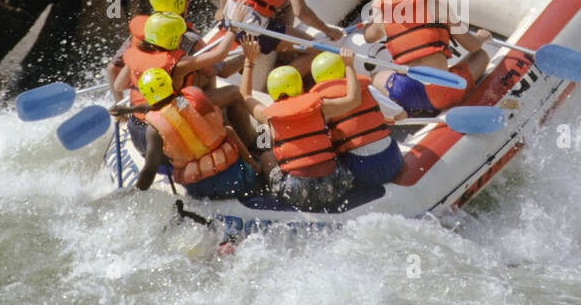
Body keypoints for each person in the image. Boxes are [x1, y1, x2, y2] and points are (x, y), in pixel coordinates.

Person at [239, 37, 358, 208]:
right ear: (301, 87)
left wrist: (249, 61)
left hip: (298, 192)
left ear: (272, 92)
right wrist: (349, 65)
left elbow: (245, 96)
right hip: (335, 185)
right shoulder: (319, 107)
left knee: (266, 156)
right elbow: (353, 99)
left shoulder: (268, 116)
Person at [364, 0, 492, 116]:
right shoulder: (435, 3)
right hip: (442, 92)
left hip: (406, 92)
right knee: (481, 55)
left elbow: (369, 36)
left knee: (376, 77)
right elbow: (472, 46)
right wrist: (481, 36)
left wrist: (372, 16)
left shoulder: (382, 11)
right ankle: (445, 100)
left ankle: (404, 110)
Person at [111, 68, 261, 200]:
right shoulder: (195, 96)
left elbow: (150, 169)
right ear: (170, 83)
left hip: (200, 188)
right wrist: (254, 165)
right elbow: (169, 101)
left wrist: (136, 191)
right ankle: (258, 178)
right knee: (229, 134)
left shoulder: (153, 129)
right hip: (236, 178)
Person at [113, 11, 240, 151]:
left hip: (137, 129)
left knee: (198, 82)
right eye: (180, 37)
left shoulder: (135, 54)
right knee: (234, 93)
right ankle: (250, 142)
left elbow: (119, 86)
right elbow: (219, 55)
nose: (181, 40)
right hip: (165, 132)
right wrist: (234, 31)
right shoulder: (179, 63)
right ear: (172, 39)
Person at [309, 51, 406, 186]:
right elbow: (401, 115)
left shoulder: (322, 105)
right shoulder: (367, 89)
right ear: (343, 71)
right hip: (392, 160)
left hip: (360, 168)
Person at [106, 0, 202, 92]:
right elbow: (220, 70)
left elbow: (112, 69)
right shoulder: (189, 37)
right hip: (174, 103)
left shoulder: (142, 30)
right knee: (204, 76)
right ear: (179, 3)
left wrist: (120, 103)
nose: (189, 2)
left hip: (141, 102)